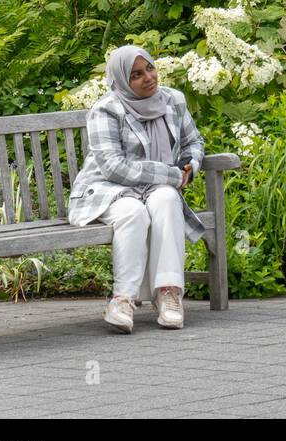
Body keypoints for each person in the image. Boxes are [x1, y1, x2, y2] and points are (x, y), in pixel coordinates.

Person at [68, 45, 207, 333]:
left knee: (169, 199)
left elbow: (194, 141)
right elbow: (113, 167)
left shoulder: (173, 100)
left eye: (150, 69)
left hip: (156, 187)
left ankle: (169, 294)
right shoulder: (106, 109)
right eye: (136, 75)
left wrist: (190, 163)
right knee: (133, 212)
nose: (148, 78)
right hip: (109, 188)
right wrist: (171, 173)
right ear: (121, 80)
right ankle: (123, 299)